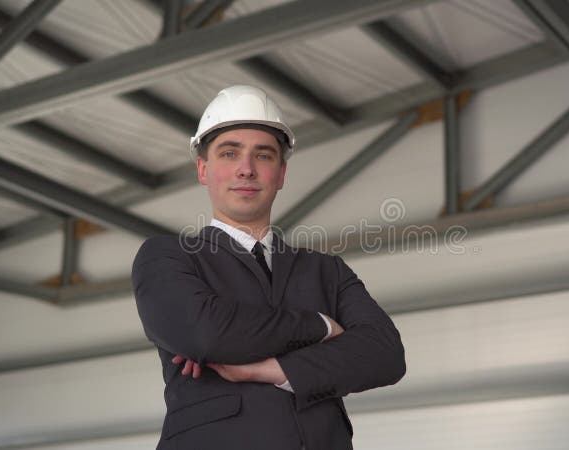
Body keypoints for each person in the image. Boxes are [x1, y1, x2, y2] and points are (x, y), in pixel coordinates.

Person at [132, 85, 405, 450]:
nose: (246, 169)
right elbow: (208, 334)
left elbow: (385, 354)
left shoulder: (327, 271)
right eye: (230, 153)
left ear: (280, 174)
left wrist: (273, 369)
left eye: (263, 156)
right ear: (203, 169)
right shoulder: (168, 256)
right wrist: (322, 326)